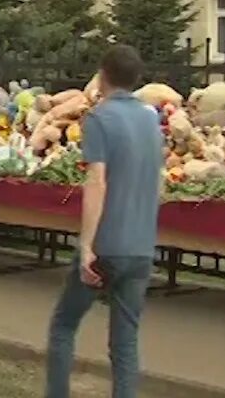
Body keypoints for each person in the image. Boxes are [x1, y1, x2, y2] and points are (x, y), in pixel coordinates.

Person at [46, 46, 162, 398]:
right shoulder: (151, 118)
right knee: (125, 342)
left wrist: (86, 247)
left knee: (64, 325)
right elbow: (155, 181)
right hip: (141, 246)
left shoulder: (99, 118)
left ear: (102, 74)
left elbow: (97, 182)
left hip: (106, 245)